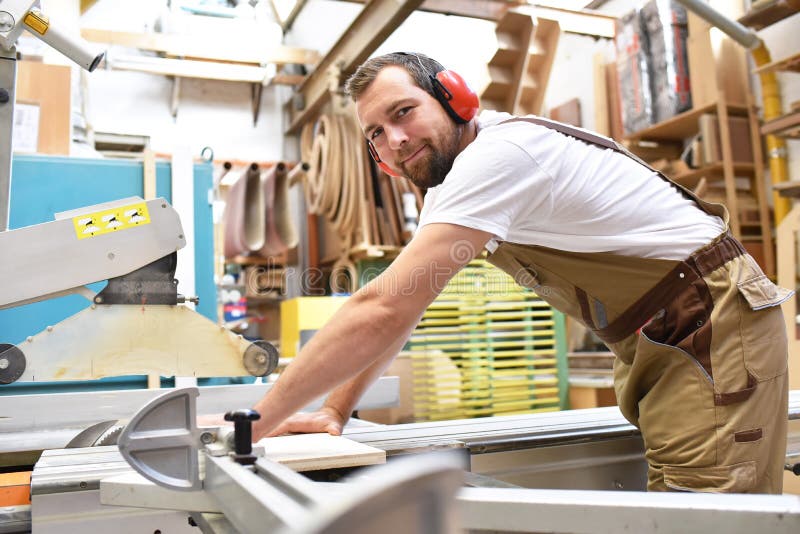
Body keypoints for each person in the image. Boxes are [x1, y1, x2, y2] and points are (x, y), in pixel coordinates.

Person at [248, 52, 792, 494]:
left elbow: (382, 306)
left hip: (709, 320)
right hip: (665, 331)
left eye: (403, 112)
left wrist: (255, 423)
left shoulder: (499, 156)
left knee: (708, 511)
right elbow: (407, 306)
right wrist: (334, 409)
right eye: (376, 133)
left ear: (452, 96)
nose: (394, 140)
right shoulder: (457, 182)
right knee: (681, 505)